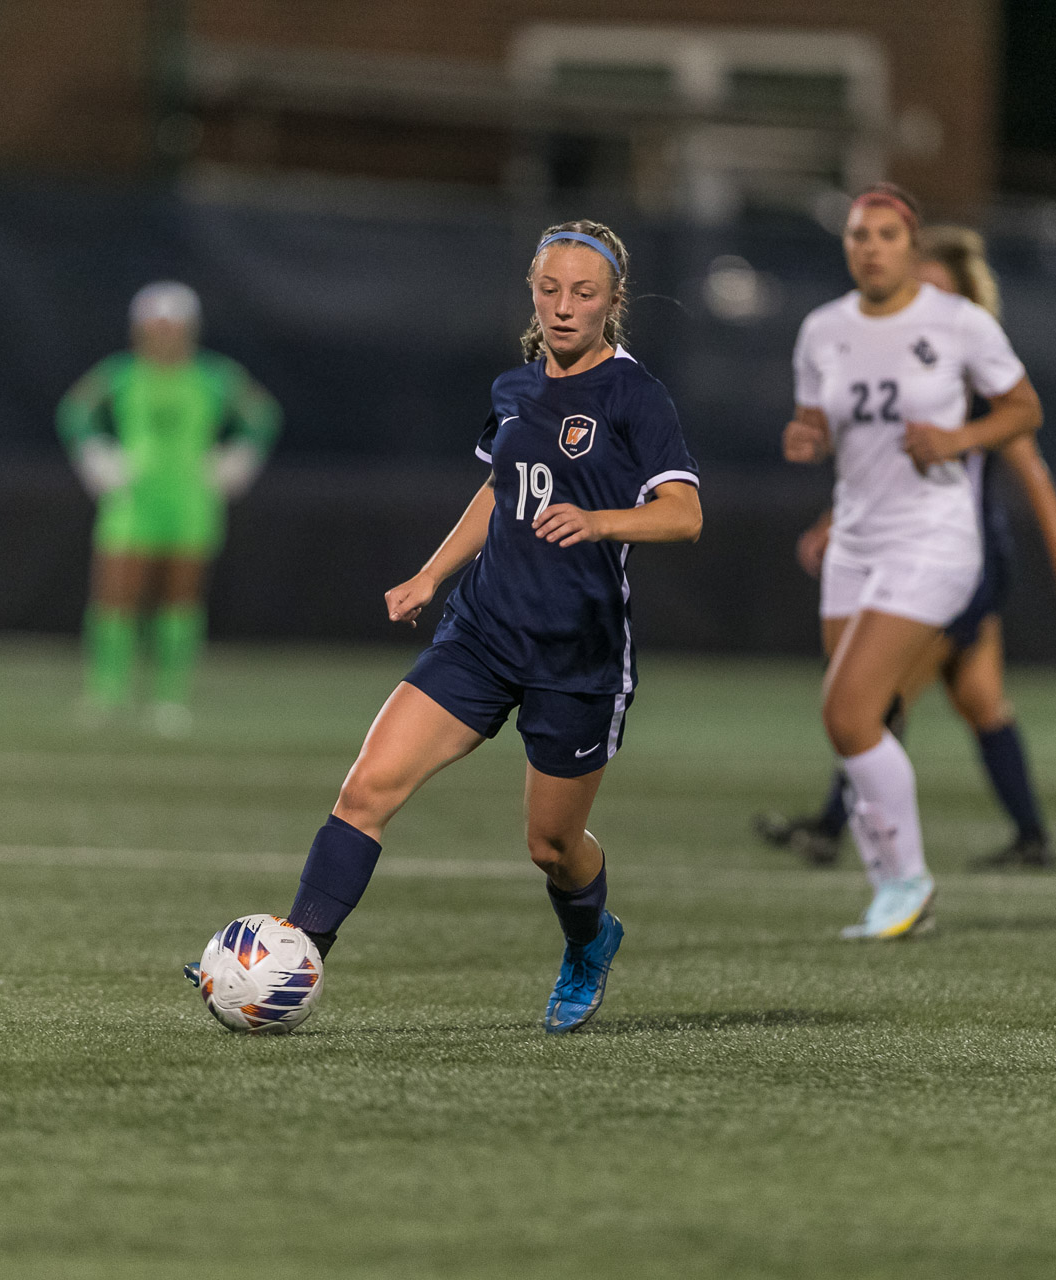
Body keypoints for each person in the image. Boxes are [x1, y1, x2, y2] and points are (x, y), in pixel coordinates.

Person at [190, 220, 700, 1034]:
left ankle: (589, 939)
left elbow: (685, 513)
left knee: (551, 848)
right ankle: (292, 960)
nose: (565, 307)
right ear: (533, 291)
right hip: (482, 633)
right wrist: (433, 572)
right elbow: (500, 489)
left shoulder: (636, 396)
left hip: (577, 656)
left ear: (613, 302)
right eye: (550, 289)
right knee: (365, 791)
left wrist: (601, 522)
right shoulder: (516, 389)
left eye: (585, 293)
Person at [757, 225, 1056, 871]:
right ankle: (1032, 838)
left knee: (875, 698)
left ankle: (833, 828)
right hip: (931, 551)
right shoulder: (902, 368)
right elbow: (884, 472)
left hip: (956, 560)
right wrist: (834, 522)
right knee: (980, 700)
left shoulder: (969, 371)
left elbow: (1029, 460)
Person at [778, 185, 1043, 940]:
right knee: (860, 721)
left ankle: (909, 884)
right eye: (860, 235)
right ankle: (893, 889)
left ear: (911, 242)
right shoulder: (822, 330)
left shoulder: (958, 323)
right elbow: (817, 420)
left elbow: (1025, 410)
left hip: (934, 538)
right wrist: (807, 438)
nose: (871, 247)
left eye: (886, 234)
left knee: (848, 710)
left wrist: (957, 440)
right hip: (856, 542)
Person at [56, 282, 280, 736]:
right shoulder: (121, 373)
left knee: (180, 598)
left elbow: (262, 414)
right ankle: (107, 693)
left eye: (172, 327)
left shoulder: (215, 376)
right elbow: (75, 411)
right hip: (133, 498)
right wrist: (96, 455)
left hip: (190, 500)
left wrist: (238, 460)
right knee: (115, 596)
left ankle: (170, 698)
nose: (163, 335)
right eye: (155, 327)